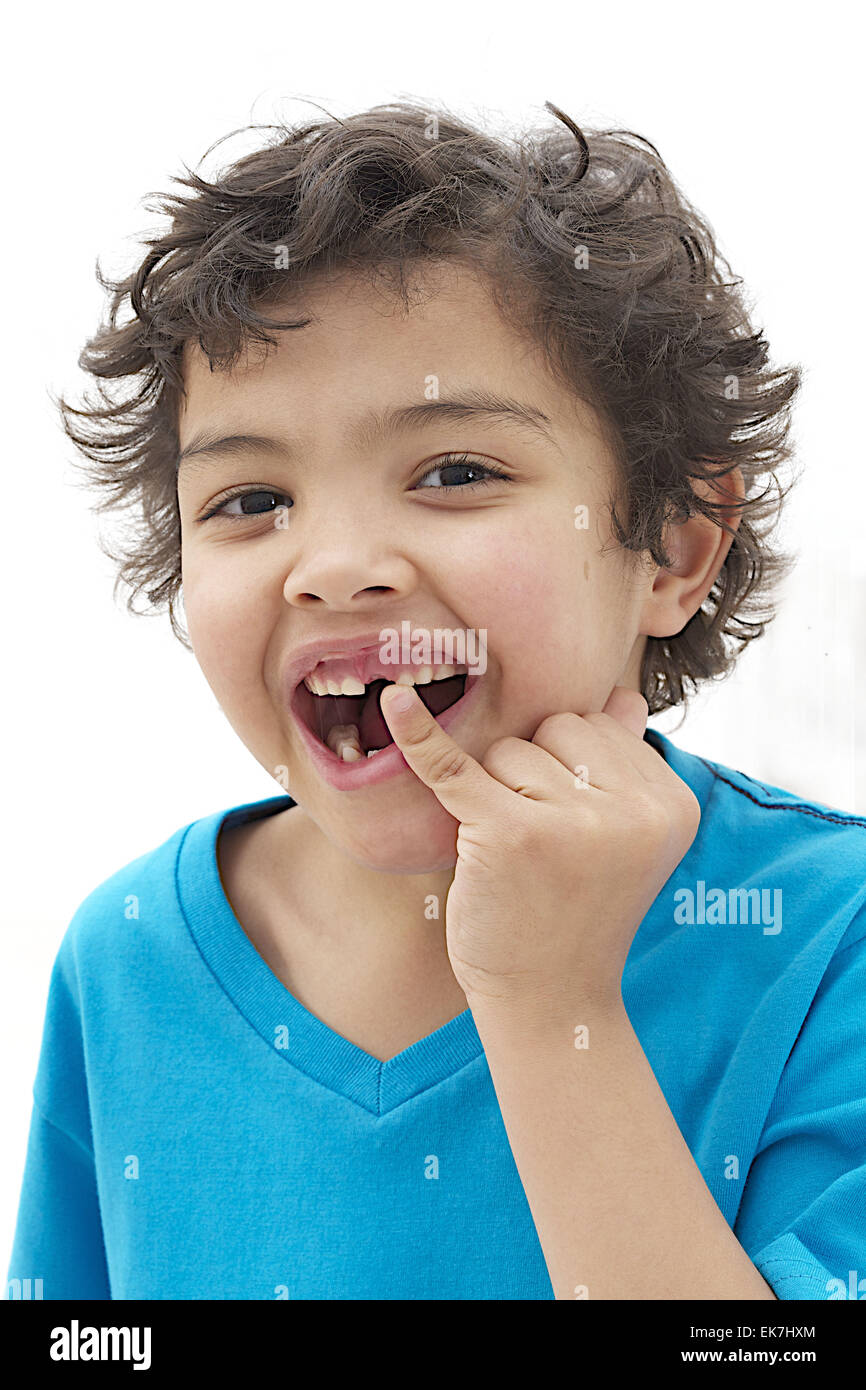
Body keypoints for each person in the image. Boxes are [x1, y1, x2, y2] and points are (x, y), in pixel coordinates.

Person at [7, 98, 864, 1301]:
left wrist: (549, 1000)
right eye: (248, 500)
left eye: (454, 470)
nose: (333, 563)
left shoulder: (827, 937)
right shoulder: (126, 954)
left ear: (672, 546)